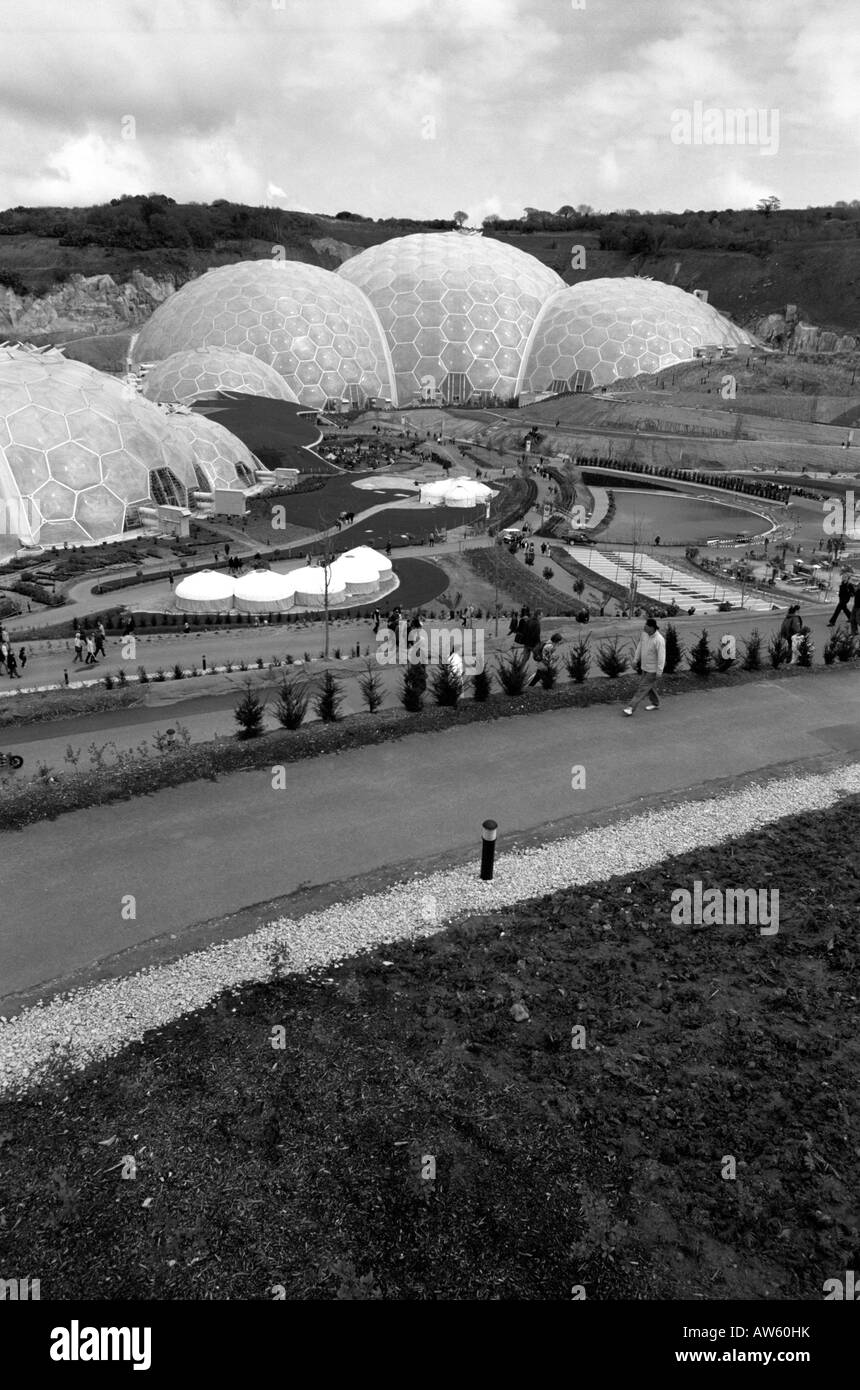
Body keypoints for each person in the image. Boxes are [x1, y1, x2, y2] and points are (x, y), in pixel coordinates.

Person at [624, 617, 666, 717]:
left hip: (653, 670)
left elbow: (661, 656)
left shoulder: (659, 640)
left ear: (651, 628)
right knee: (649, 687)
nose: (644, 627)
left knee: (642, 688)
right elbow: (639, 647)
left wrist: (659, 671)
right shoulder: (644, 635)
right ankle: (656, 703)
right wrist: (635, 660)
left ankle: (630, 707)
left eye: (646, 625)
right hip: (644, 667)